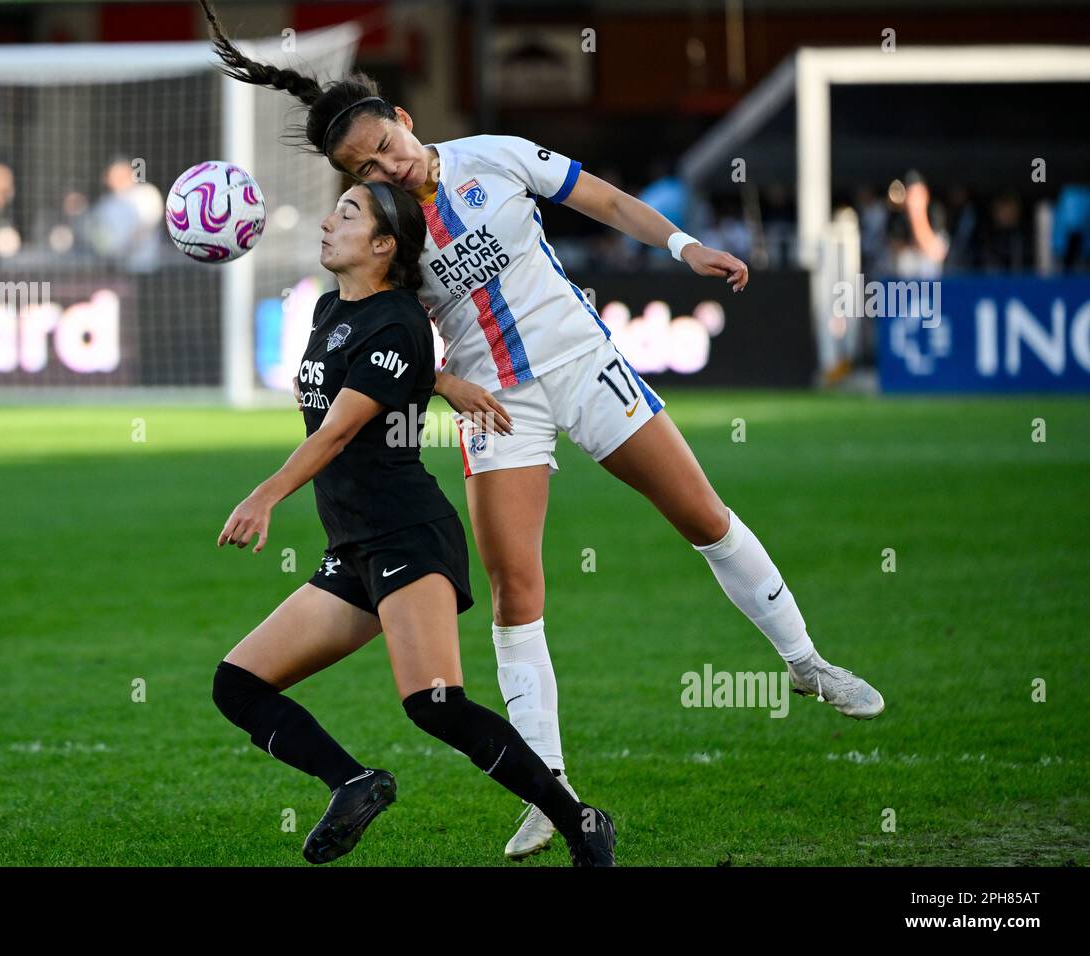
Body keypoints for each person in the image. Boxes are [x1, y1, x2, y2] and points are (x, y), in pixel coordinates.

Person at [199, 0, 883, 861]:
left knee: (701, 515)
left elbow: (601, 198)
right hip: (498, 403)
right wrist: (449, 384)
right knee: (518, 589)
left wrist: (683, 248)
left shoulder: (496, 158)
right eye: (362, 166)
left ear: (405, 119)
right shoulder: (389, 232)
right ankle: (550, 791)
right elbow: (394, 341)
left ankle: (805, 660)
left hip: (581, 362)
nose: (384, 165)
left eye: (384, 144)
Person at [212, 177, 615, 866]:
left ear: (382, 244)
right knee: (238, 684)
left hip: (407, 534)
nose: (328, 222)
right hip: (354, 546)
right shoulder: (329, 310)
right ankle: (354, 782)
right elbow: (389, 371)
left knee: (434, 703)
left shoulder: (399, 315)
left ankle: (579, 822)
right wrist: (444, 381)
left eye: (348, 214)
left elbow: (338, 430)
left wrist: (265, 495)